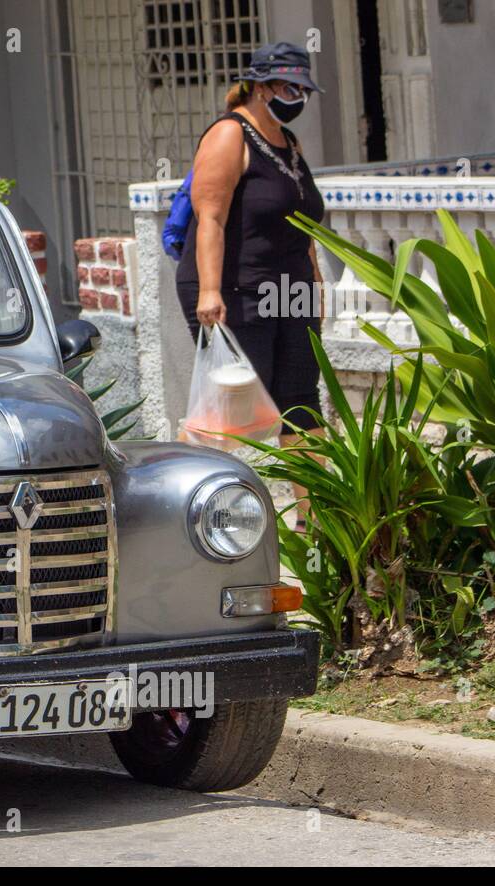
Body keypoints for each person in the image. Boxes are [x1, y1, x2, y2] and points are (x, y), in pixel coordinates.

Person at [175, 41, 326, 529]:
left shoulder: (288, 143)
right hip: (236, 290)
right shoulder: (229, 135)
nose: (296, 97)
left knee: (302, 401)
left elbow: (303, 225)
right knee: (230, 413)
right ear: (260, 87)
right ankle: (188, 509)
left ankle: (319, 521)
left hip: (290, 292)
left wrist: (316, 285)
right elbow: (211, 218)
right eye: (288, 87)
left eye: (302, 89)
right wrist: (210, 292)